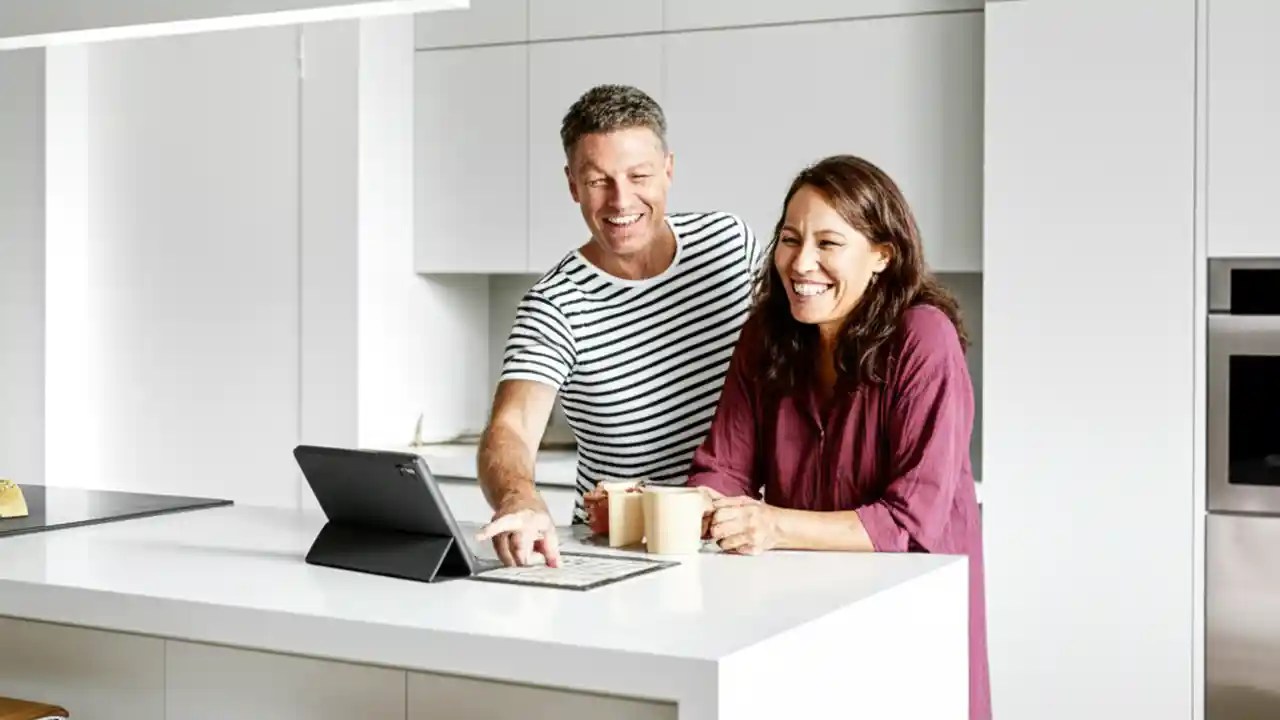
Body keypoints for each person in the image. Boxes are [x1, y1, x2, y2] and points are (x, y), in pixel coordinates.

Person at [685, 155, 990, 719]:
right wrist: (664, 507)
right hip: (802, 606)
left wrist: (771, 523)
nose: (801, 263)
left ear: (881, 255)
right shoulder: (766, 333)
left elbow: (908, 520)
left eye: (829, 243)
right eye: (789, 239)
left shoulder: (924, 338)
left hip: (913, 609)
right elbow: (722, 470)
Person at [473, 84, 761, 568]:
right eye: (597, 180)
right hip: (623, 553)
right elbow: (512, 429)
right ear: (572, 185)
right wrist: (517, 497)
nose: (620, 200)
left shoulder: (728, 245)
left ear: (668, 170)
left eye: (639, 175)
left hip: (739, 540)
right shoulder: (555, 304)